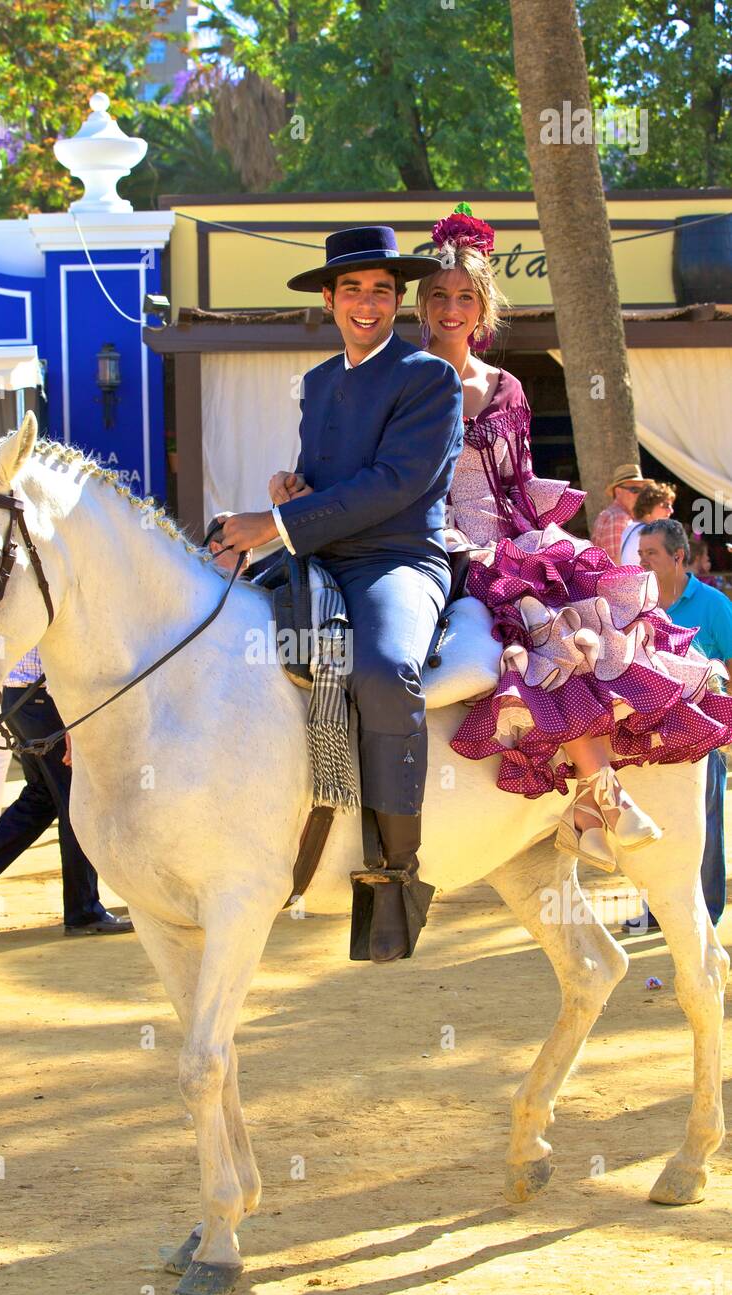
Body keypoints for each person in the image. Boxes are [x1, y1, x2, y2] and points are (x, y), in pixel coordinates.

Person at [414, 207, 732, 874]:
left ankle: (597, 797)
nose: (451, 308)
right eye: (439, 296)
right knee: (547, 633)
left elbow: (520, 480)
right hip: (437, 548)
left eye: (464, 297)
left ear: (482, 307)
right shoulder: (406, 379)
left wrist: (542, 543)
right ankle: (597, 799)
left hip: (506, 541)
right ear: (423, 304)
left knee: (589, 631)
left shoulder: (506, 387)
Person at [213, 225, 463, 963]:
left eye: (382, 291)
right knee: (214, 629)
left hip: (397, 561)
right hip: (320, 550)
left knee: (385, 670)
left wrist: (276, 521)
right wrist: (294, 490)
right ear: (329, 299)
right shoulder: (319, 382)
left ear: (396, 302)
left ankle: (396, 873)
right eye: (351, 289)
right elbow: (330, 478)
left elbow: (393, 484)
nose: (366, 302)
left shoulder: (429, 377)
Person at [0, 647, 132, 938]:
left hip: (21, 696)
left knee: (41, 797)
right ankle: (82, 911)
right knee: (77, 801)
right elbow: (60, 650)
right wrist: (71, 718)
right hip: (46, 697)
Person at [636, 519, 732, 929]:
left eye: (650, 554)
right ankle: (660, 910)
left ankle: (705, 915)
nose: (642, 563)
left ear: (678, 557)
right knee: (652, 823)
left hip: (703, 736)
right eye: (639, 555)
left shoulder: (714, 605)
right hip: (648, 733)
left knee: (705, 822)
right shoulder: (637, 603)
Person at [591, 464, 653, 563]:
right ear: (619, 492)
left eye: (643, 491)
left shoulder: (613, 514)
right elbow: (616, 565)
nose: (641, 495)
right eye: (635, 490)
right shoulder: (619, 518)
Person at [619, 482, 676, 566]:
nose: (671, 511)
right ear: (648, 507)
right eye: (665, 505)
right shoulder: (650, 534)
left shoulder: (630, 527)